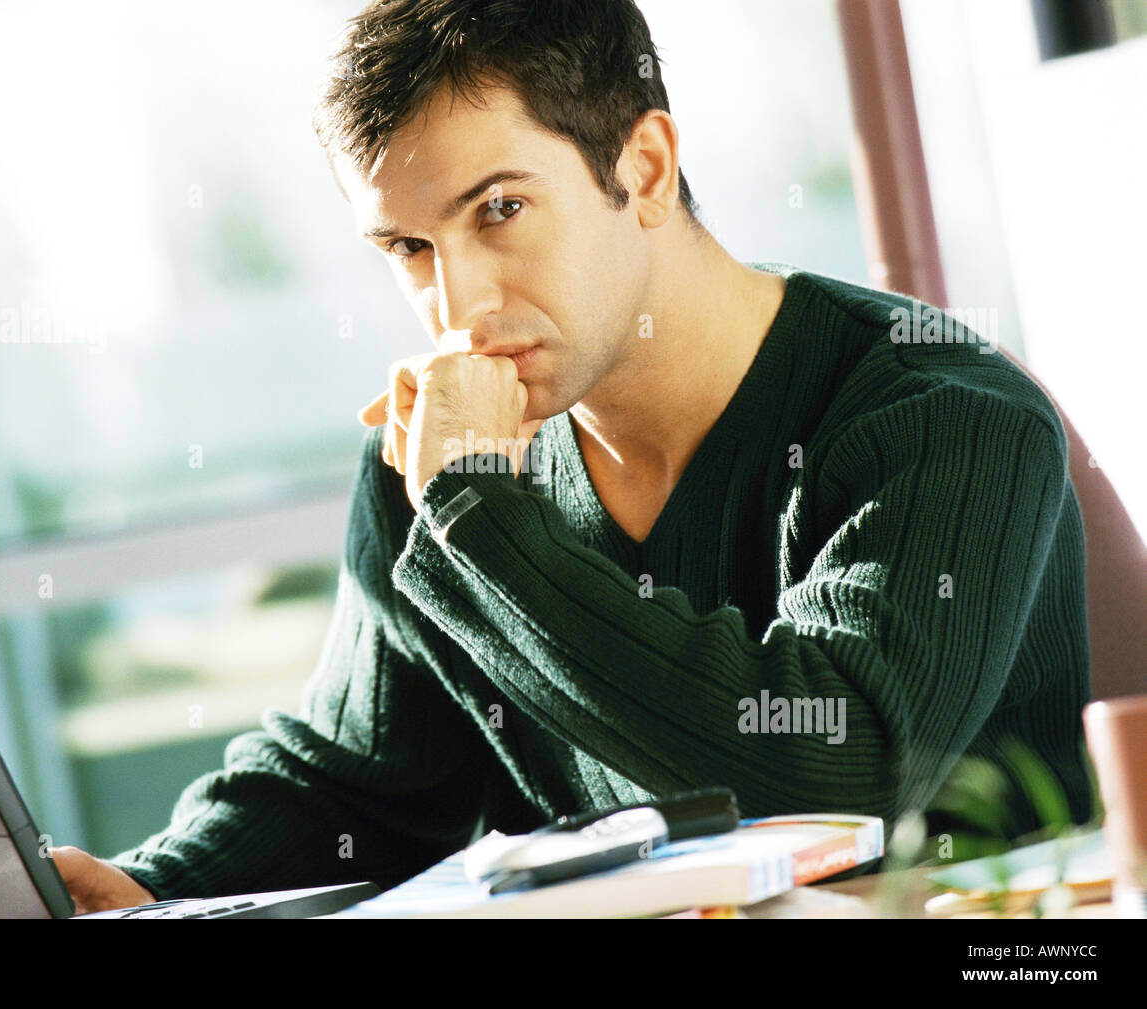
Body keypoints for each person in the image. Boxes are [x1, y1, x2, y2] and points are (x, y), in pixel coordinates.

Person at [53, 0, 1092, 913]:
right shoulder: (434, 461)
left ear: (642, 168)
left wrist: (474, 513)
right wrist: (151, 886)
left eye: (497, 210)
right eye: (408, 249)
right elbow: (361, 786)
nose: (456, 309)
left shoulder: (941, 414)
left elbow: (836, 773)